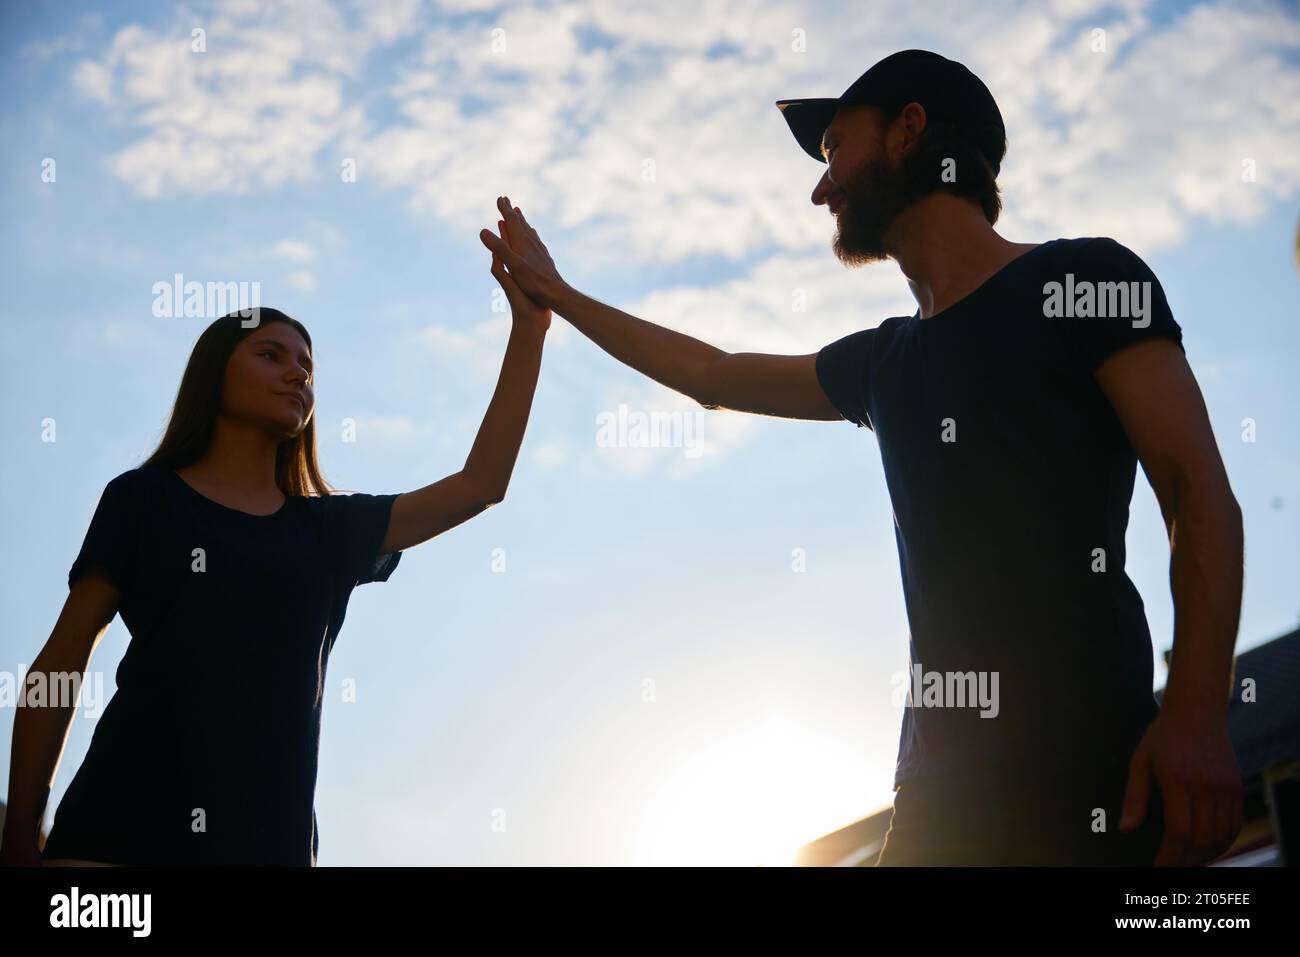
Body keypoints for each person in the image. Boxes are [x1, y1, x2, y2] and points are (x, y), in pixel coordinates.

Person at [478, 49, 1245, 866]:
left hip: (1095, 778)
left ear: (909, 131)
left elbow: (1195, 492)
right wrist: (554, 293)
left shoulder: (1088, 277)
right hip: (936, 808)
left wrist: (1196, 710)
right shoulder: (883, 362)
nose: (820, 186)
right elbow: (709, 373)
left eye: (836, 148)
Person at [1, 223, 549, 866]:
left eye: (306, 366)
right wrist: (17, 842)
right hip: (115, 839)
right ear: (216, 374)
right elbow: (58, 668)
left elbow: (481, 484)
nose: (297, 374)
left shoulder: (331, 530)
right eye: (271, 355)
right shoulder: (142, 500)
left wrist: (530, 328)